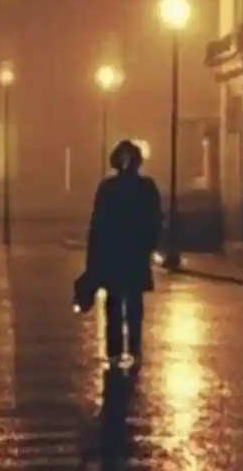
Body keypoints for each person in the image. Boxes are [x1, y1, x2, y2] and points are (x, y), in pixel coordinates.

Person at [85, 139, 163, 369]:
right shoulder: (143, 187)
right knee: (126, 304)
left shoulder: (110, 188)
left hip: (119, 252)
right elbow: (154, 218)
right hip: (130, 252)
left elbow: (98, 224)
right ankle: (124, 351)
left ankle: (120, 351)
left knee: (121, 304)